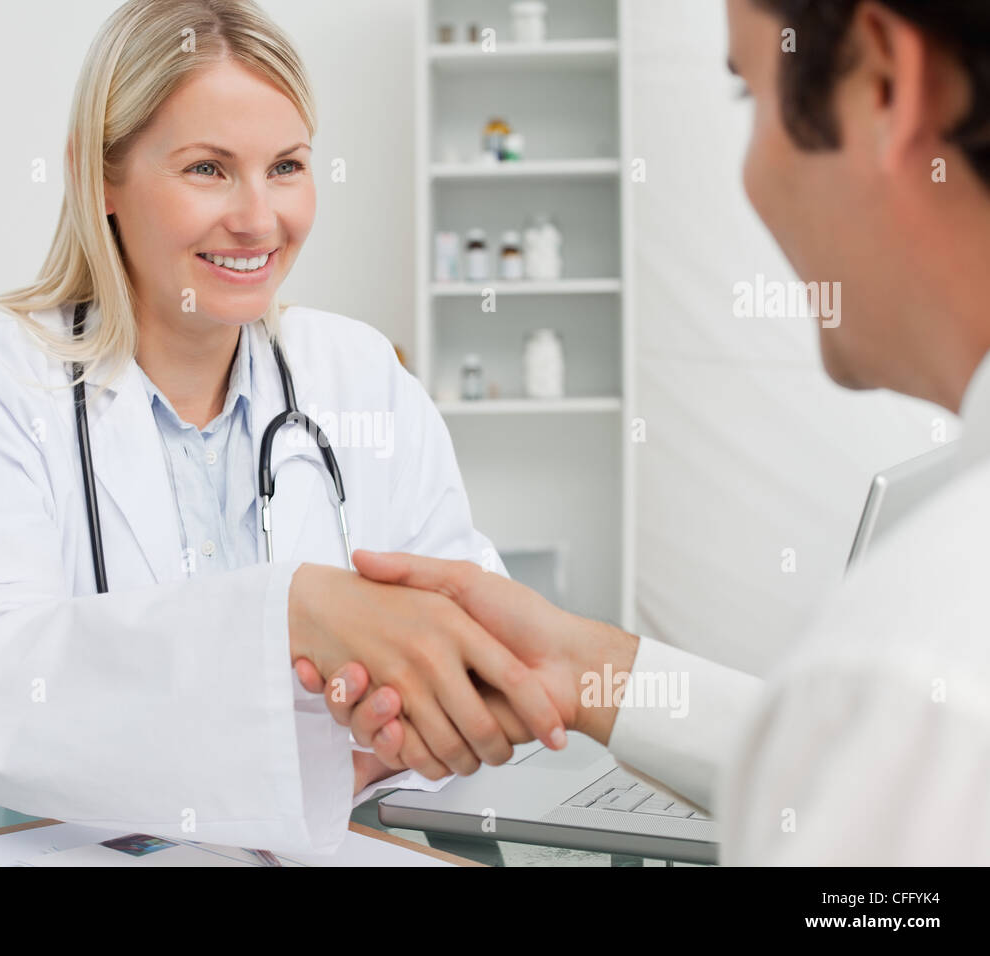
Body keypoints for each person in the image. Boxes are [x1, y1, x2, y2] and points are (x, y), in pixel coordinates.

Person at [299, 0, 990, 864]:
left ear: (887, 85)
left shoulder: (914, 668)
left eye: (750, 96)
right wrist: (588, 668)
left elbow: (881, 748)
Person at [0, 0, 566, 856]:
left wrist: (409, 731)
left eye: (286, 166)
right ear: (101, 180)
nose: (258, 218)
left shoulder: (360, 377)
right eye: (207, 169)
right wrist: (290, 615)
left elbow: (476, 650)